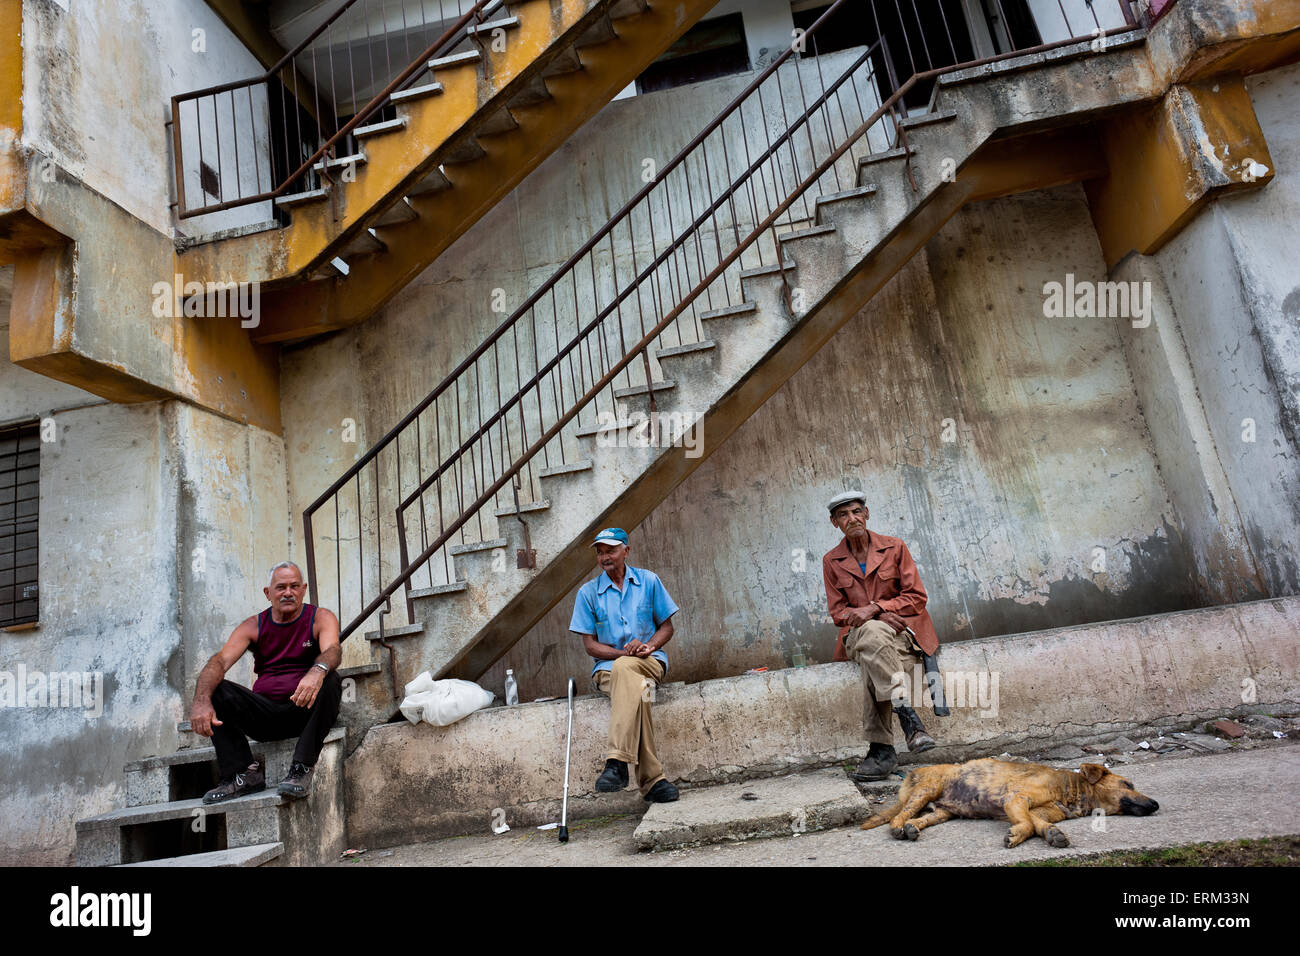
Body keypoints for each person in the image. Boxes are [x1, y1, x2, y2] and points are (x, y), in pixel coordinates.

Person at [190, 561, 343, 803]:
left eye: (294, 586)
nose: (288, 593)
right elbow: (219, 662)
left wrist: (317, 670)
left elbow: (333, 650)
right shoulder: (254, 625)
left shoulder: (320, 618)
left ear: (303, 589)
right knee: (215, 688)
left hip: (304, 710)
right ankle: (242, 774)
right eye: (281, 587)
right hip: (265, 717)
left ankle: (301, 768)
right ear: (267, 593)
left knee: (332, 678)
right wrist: (200, 701)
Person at [822, 491, 940, 781]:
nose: (852, 519)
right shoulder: (831, 560)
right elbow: (838, 613)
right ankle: (909, 720)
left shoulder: (895, 547)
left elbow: (917, 597)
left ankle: (882, 752)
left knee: (871, 657)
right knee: (872, 634)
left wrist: (876, 608)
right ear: (834, 522)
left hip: (902, 635)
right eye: (843, 515)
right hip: (860, 634)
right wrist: (875, 617)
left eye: (856, 512)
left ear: (867, 513)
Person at [569, 528, 680, 803]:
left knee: (629, 670)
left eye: (611, 550)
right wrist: (623, 653)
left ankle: (617, 763)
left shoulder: (649, 581)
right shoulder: (588, 593)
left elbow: (667, 627)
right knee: (630, 679)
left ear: (626, 551)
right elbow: (590, 646)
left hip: (650, 662)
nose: (605, 557)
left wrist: (648, 647)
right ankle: (653, 781)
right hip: (608, 670)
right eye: (600, 552)